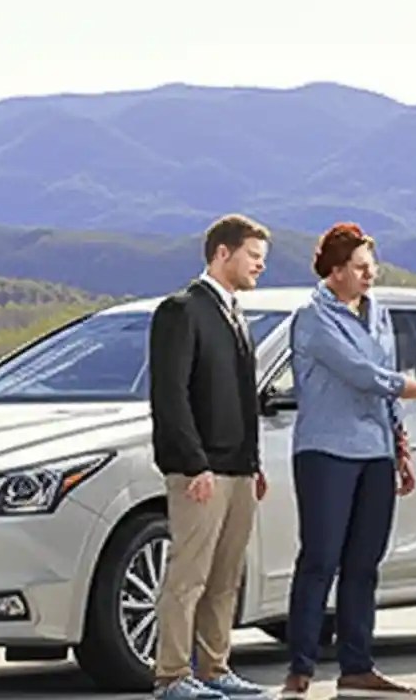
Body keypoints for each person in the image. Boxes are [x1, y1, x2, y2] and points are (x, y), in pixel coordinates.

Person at [279, 222, 416, 699]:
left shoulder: (377, 313)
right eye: (361, 267)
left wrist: (399, 444)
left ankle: (357, 666)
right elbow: (364, 374)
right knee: (320, 559)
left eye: (372, 266)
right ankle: (300, 668)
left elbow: (387, 383)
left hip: (375, 453)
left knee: (365, 563)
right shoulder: (313, 318)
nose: (371, 274)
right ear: (336, 271)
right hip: (327, 452)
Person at [149, 213, 273, 700]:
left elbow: (243, 397)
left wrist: (253, 462)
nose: (260, 267)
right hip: (199, 471)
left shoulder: (236, 313)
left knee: (225, 578)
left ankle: (215, 669)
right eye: (253, 257)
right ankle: (172, 676)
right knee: (188, 577)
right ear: (223, 254)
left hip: (238, 470)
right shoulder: (181, 310)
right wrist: (193, 462)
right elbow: (170, 396)